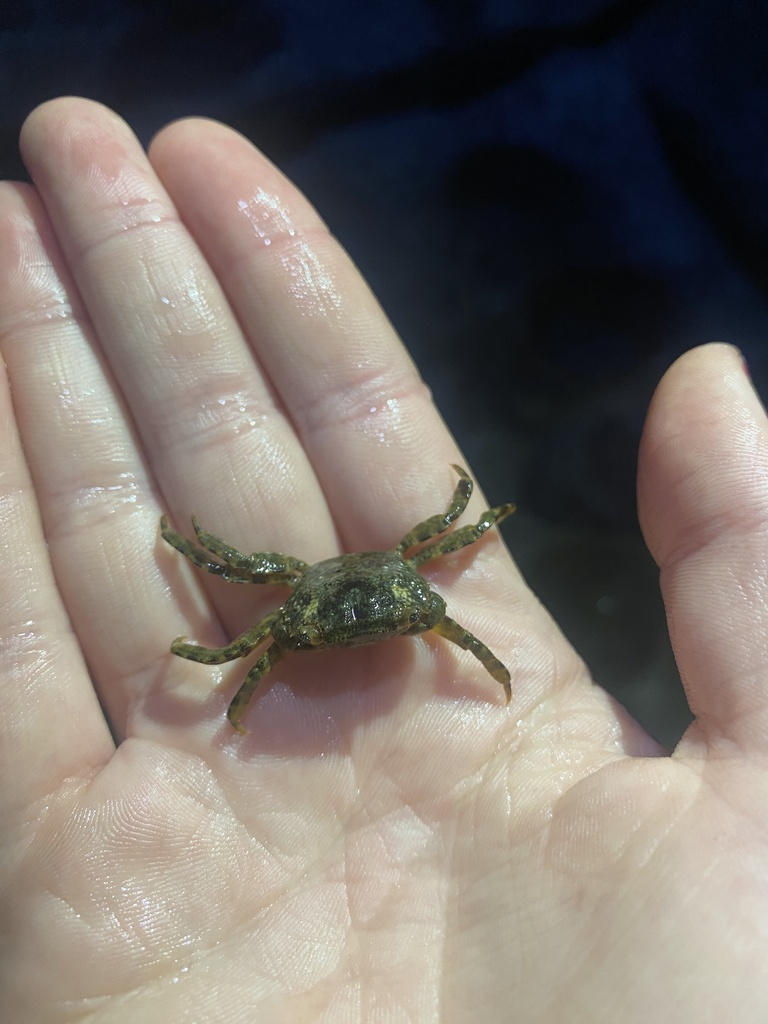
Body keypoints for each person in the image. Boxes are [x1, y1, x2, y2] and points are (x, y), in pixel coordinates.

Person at [0, 97, 765, 1024]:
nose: (371, 637)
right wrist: (203, 594)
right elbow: (230, 645)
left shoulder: (402, 587)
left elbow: (449, 535)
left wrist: (477, 543)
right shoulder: (316, 604)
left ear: (414, 595)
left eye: (401, 620)